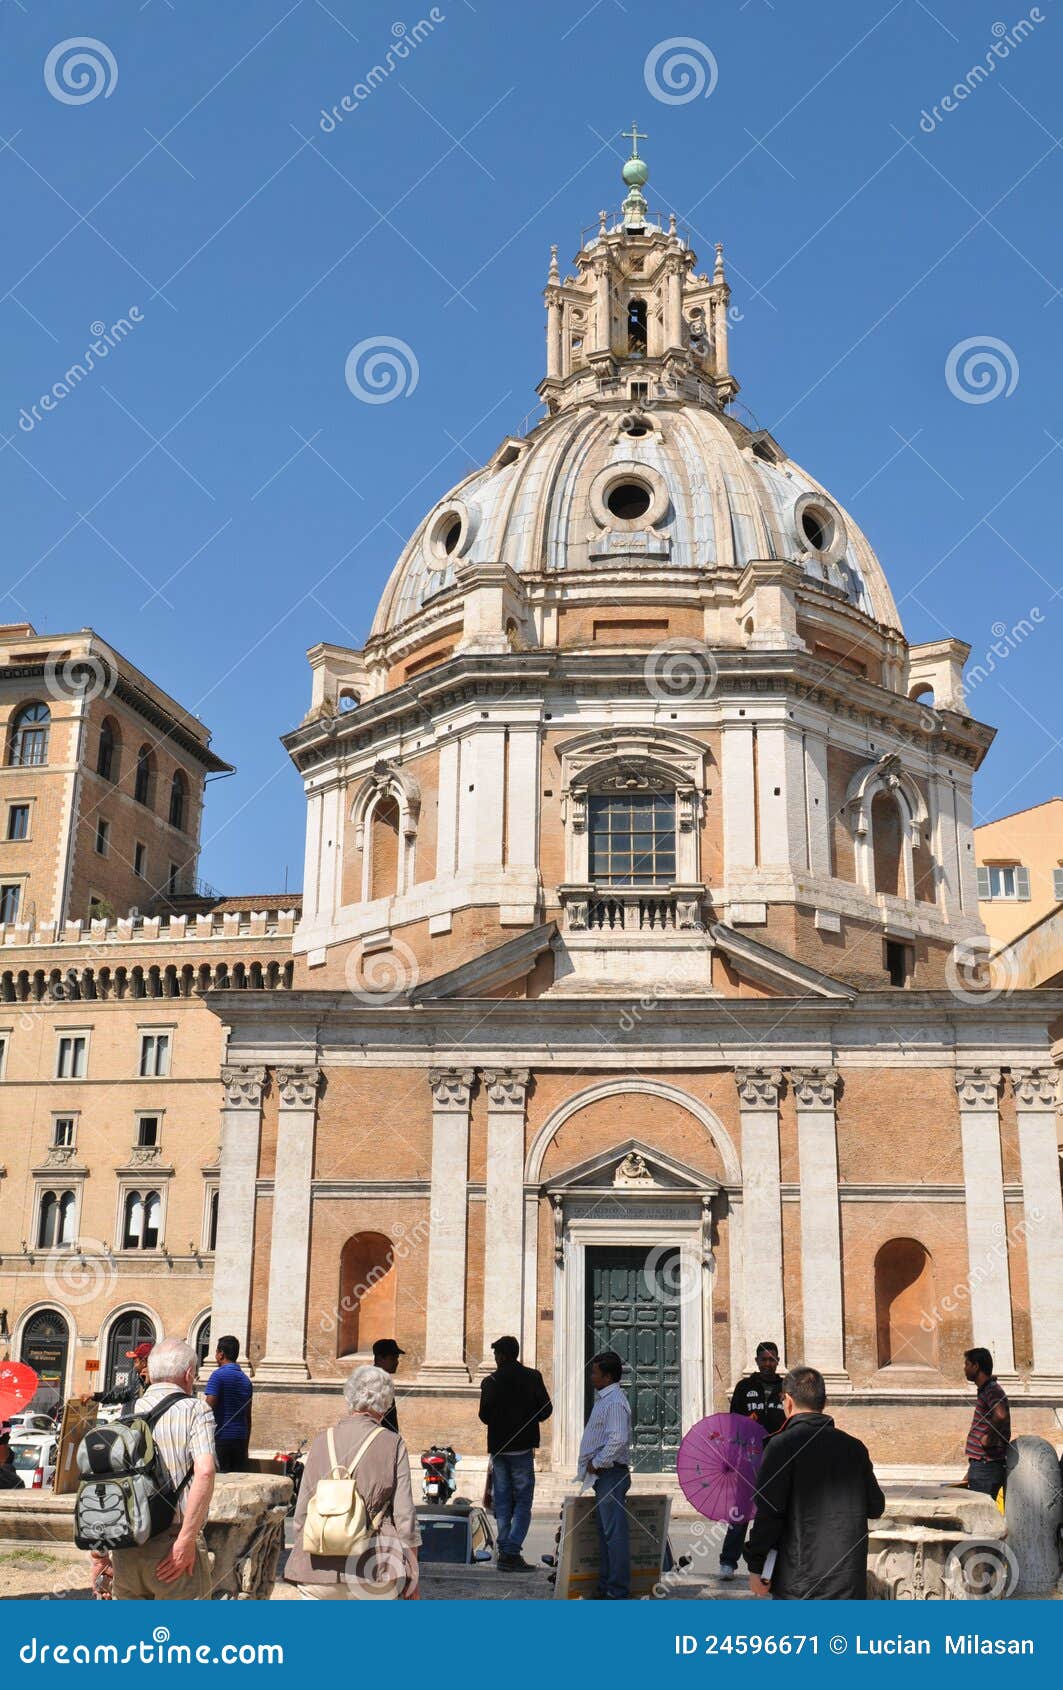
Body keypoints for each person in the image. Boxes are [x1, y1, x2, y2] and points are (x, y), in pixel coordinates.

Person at [92, 1337, 217, 1601]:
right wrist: (186, 1539)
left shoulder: (125, 1412)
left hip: (126, 1548)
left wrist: (99, 1556)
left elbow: (103, 1484)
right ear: (188, 1375)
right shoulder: (196, 1410)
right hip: (173, 1548)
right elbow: (205, 1472)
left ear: (151, 1372)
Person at [745, 1364, 884, 1600]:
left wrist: (756, 1566)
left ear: (787, 1401)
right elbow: (875, 1507)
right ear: (824, 1402)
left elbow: (769, 1514)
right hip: (848, 1583)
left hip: (799, 1584)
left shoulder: (780, 1446)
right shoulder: (855, 1448)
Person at [284, 1364, 420, 1600]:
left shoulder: (320, 1442)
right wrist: (412, 1572)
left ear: (350, 1396)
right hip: (374, 1571)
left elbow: (301, 1514)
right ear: (386, 1403)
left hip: (316, 1570)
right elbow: (405, 1516)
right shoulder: (392, 1444)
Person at [478, 1334, 552, 1571]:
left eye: (495, 1355)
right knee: (522, 1502)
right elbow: (546, 1410)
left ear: (501, 1356)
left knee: (502, 1502)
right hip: (522, 1449)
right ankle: (510, 1550)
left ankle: (506, 1549)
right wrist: (528, 1420)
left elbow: (484, 1416)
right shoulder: (533, 1377)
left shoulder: (490, 1381)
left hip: (500, 1450)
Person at [719, 1341, 785, 1580]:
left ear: (778, 1361)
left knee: (773, 1515)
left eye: (772, 1359)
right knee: (741, 1512)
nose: (768, 1363)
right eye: (764, 1359)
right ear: (756, 1362)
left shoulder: (786, 1388)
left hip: (777, 1460)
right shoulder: (744, 1387)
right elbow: (733, 1422)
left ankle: (767, 1567)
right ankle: (728, 1562)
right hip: (747, 1459)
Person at [578, 1350, 633, 1600]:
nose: (591, 1377)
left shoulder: (615, 1402)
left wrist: (598, 1462)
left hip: (611, 1474)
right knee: (606, 1534)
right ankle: (606, 1585)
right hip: (605, 1475)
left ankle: (616, 1590)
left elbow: (618, 1439)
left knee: (614, 1535)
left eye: (595, 1373)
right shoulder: (605, 1399)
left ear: (608, 1377)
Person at [963, 1347, 1011, 1497]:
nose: (964, 1369)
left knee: (980, 1517)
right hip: (981, 1466)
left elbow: (1000, 1415)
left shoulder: (992, 1390)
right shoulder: (987, 1390)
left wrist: (989, 1438)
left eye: (967, 1364)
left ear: (976, 1366)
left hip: (986, 1467)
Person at [204, 1335, 253, 1472]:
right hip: (240, 1440)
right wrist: (246, 1448)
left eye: (216, 1352)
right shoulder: (246, 1381)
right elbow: (248, 1417)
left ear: (221, 1354)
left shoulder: (217, 1376)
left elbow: (207, 1409)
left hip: (221, 1439)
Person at [83, 1341, 152, 1410]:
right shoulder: (139, 1381)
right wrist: (95, 1395)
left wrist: (147, 1386)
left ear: (143, 1363)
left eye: (136, 1362)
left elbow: (149, 1406)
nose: (134, 1366)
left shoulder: (157, 1382)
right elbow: (120, 1395)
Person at [371, 1338, 405, 1434]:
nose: (397, 1362)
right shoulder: (374, 1382)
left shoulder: (383, 1379)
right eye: (393, 1358)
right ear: (380, 1358)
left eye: (397, 1358)